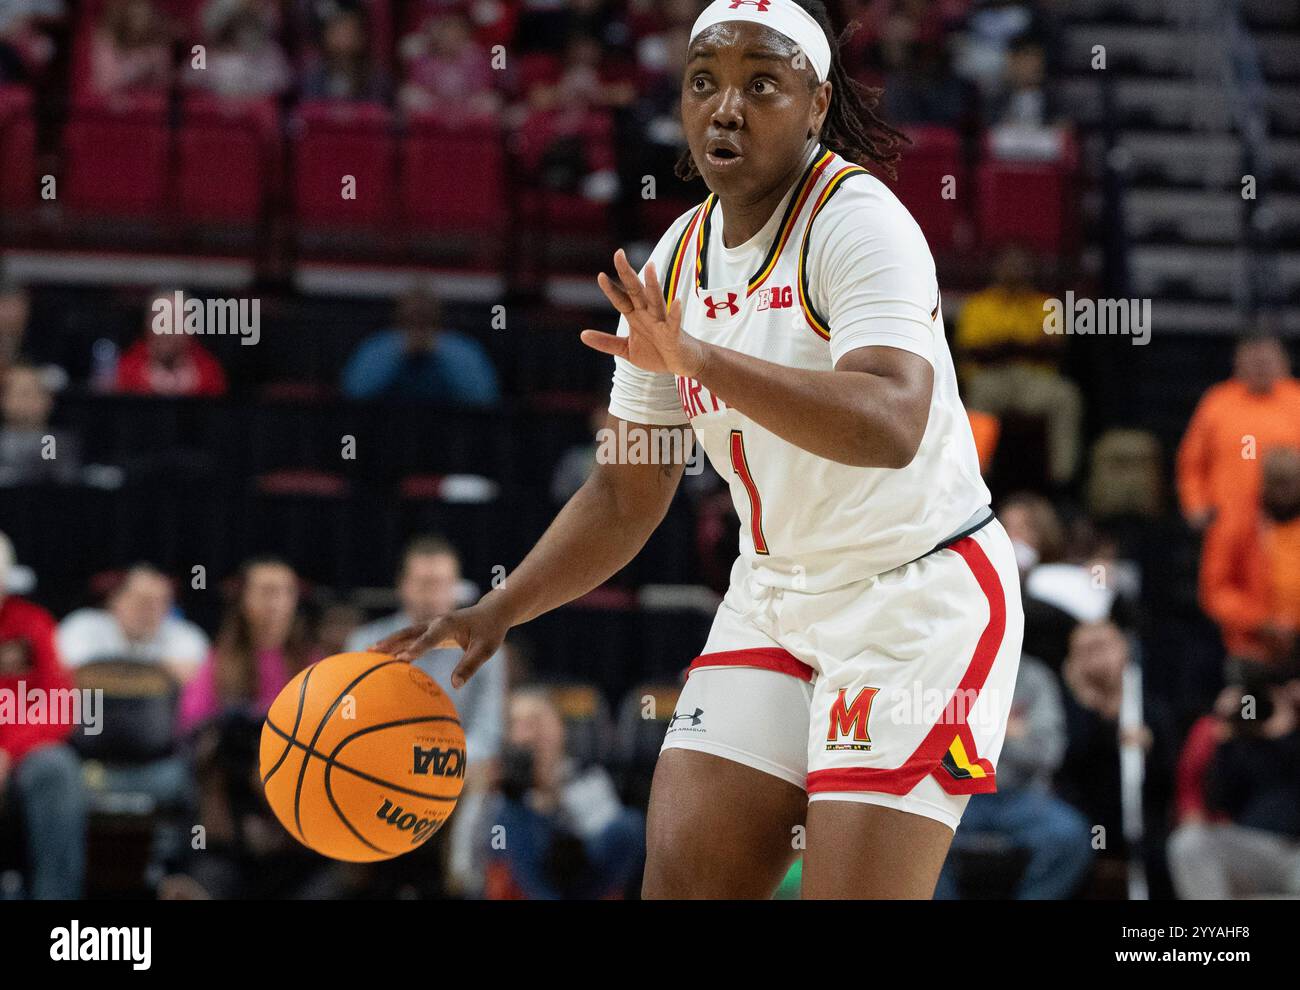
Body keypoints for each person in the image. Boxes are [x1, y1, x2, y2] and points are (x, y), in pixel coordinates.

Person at [375, 0, 1024, 900]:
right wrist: (500, 610)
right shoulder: (675, 261)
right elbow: (625, 494)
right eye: (705, 83)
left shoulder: (858, 221)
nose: (727, 107)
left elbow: (890, 421)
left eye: (763, 85)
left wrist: (703, 358)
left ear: (816, 104)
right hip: (775, 595)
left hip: (915, 600)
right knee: (682, 881)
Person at [934, 654, 1092, 899]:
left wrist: (987, 731)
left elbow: (1050, 753)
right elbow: (931, 746)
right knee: (917, 833)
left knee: (1072, 835)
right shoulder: (947, 670)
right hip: (959, 795)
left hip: (1021, 798)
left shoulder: (1034, 677)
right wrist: (1006, 730)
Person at [348, 535, 505, 767]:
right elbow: (353, 718)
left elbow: (487, 732)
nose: (433, 596)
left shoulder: (483, 648)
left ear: (456, 587)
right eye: (424, 584)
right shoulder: (366, 641)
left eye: (442, 584)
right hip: (382, 762)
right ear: (403, 585)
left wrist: (433, 761)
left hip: (455, 766)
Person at [478, 686, 645, 900]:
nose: (531, 733)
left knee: (629, 824)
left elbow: (605, 841)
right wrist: (489, 793)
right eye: (519, 724)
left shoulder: (587, 776)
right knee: (507, 813)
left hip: (582, 878)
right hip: (525, 883)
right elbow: (472, 860)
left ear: (559, 728)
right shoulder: (501, 787)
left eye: (538, 721)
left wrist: (555, 804)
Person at [0, 530, 87, 899]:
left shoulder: (32, 623)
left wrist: (6, 752)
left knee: (57, 767)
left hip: (22, 759)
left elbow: (60, 704)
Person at [955, 245, 1083, 486]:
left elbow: (1054, 350)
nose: (1014, 270)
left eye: (1021, 264)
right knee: (979, 396)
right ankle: (975, 477)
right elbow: (973, 353)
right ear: (996, 269)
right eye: (1008, 264)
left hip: (1033, 381)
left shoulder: (1047, 304)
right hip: (991, 379)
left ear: (1032, 270)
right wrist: (1024, 346)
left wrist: (1004, 346)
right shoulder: (977, 304)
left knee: (1067, 396)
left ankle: (1062, 482)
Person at [1167, 671, 1300, 898]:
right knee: (1188, 842)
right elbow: (1219, 800)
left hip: (1294, 854)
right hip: (1247, 846)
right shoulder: (1244, 747)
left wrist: (1286, 729)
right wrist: (1229, 732)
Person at [1177, 334, 1300, 535]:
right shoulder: (1217, 401)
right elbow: (1192, 461)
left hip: (1286, 524)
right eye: (1253, 360)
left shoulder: (1297, 400)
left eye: (1267, 361)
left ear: (1283, 362)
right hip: (1226, 522)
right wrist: (1194, 504)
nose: (1260, 367)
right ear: (1238, 362)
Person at [1199, 446, 1300, 665]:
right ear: (1262, 482)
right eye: (1277, 482)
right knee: (1245, 693)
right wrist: (1261, 622)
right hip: (1253, 647)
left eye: (1290, 481)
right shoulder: (1235, 526)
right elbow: (1215, 591)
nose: (1284, 490)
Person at [340, 288, 500, 405]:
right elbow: (353, 392)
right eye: (414, 314)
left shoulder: (463, 349)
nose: (419, 317)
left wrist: (441, 353)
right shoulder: (377, 347)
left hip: (450, 436)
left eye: (424, 315)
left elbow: (484, 397)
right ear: (399, 314)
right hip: (387, 433)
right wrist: (396, 354)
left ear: (438, 314)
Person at [58, 564, 209, 682]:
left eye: (161, 602)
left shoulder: (186, 634)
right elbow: (72, 673)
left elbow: (190, 676)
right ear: (115, 600)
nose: (150, 610)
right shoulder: (83, 625)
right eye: (142, 600)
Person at [114, 290, 229, 398]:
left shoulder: (210, 373)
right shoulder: (123, 371)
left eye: (175, 322)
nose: (167, 332)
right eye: (161, 322)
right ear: (147, 324)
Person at [0, 363, 81, 485]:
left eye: (25, 393)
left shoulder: (53, 442)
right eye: (10, 392)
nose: (17, 400)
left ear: (47, 401)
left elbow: (57, 486)